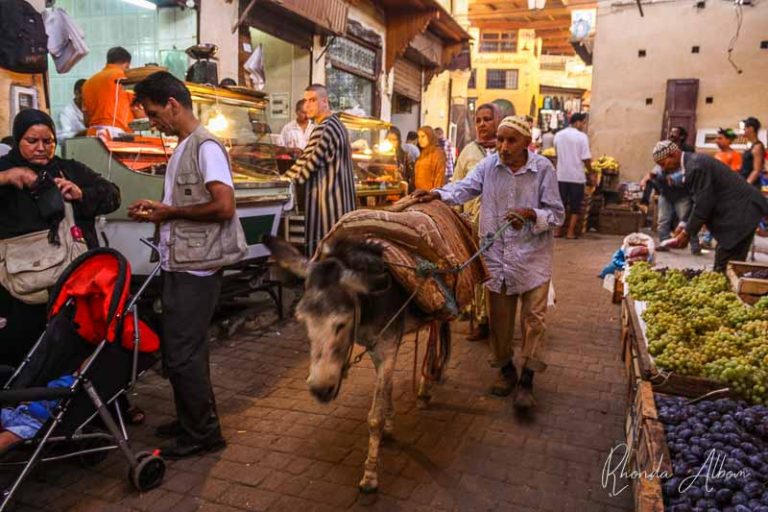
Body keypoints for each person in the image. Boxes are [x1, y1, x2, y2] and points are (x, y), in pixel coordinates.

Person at [128, 71, 248, 459]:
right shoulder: (184, 145)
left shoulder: (205, 146)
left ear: (173, 105)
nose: (152, 120)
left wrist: (171, 212)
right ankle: (190, 420)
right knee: (183, 350)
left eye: (153, 112)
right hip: (182, 262)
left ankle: (204, 434)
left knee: (183, 352)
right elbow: (189, 203)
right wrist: (162, 214)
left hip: (197, 268)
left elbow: (223, 206)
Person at [412, 116, 565, 409]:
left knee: (535, 319)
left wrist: (532, 214)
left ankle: (527, 380)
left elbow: (556, 214)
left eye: (511, 141)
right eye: (500, 140)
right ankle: (506, 371)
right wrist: (436, 194)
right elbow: (464, 188)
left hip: (533, 259)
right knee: (500, 322)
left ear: (527, 143)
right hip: (496, 257)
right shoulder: (489, 166)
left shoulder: (543, 169)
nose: (504, 147)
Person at [0, 109, 121, 366]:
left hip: (72, 284)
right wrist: (6, 178)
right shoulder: (5, 171)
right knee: (21, 355)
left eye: (48, 141)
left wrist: (81, 194)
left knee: (73, 351)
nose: (41, 148)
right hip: (18, 289)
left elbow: (112, 195)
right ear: (17, 139)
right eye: (32, 141)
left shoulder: (69, 170)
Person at [653, 141, 768, 272]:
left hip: (741, 212)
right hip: (739, 212)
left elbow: (703, 203)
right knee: (725, 260)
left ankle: (728, 287)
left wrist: (687, 233)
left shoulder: (695, 166)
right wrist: (683, 224)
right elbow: (695, 199)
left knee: (726, 264)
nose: (664, 169)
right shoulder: (692, 163)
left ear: (673, 154)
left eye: (663, 163)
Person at [284, 84, 356, 257]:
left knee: (324, 261)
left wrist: (280, 183)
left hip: (328, 210)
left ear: (325, 101)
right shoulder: (337, 124)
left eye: (312, 100)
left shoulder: (324, 127)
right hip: (342, 208)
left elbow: (306, 166)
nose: (306, 106)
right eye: (305, 101)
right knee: (339, 260)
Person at [451, 103, 503, 342]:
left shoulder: (507, 149)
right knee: (477, 274)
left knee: (498, 274)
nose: (482, 124)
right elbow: (457, 186)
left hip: (503, 228)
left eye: (487, 119)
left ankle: (499, 321)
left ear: (498, 121)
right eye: (478, 120)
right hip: (474, 225)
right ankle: (480, 320)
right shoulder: (468, 152)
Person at [640, 163, 702, 255]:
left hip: (682, 196)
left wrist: (668, 178)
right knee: (663, 220)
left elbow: (676, 179)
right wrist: (646, 179)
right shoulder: (660, 165)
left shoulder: (683, 166)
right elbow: (651, 175)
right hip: (665, 195)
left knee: (687, 221)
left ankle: (695, 246)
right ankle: (664, 243)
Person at [553, 113, 595, 239]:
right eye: (583, 123)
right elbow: (586, 158)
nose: (583, 125)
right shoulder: (582, 137)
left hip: (561, 175)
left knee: (561, 205)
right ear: (577, 122)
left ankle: (557, 231)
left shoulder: (558, 135)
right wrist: (591, 172)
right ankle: (570, 232)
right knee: (575, 206)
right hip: (577, 177)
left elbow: (557, 155)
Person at [81, 47, 136, 136]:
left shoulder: (88, 83)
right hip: (116, 134)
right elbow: (138, 111)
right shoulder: (124, 78)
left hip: (92, 134)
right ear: (127, 65)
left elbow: (86, 120)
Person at [414, 126, 446, 191]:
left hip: (430, 195)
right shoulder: (423, 153)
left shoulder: (438, 153)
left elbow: (439, 178)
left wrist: (434, 195)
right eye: (418, 137)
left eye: (423, 136)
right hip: (419, 194)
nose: (420, 140)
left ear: (430, 136)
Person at [740, 117, 765, 187]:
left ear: (751, 129)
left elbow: (756, 170)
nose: (743, 130)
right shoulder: (750, 146)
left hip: (751, 187)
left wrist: (746, 186)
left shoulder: (757, 147)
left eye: (745, 128)